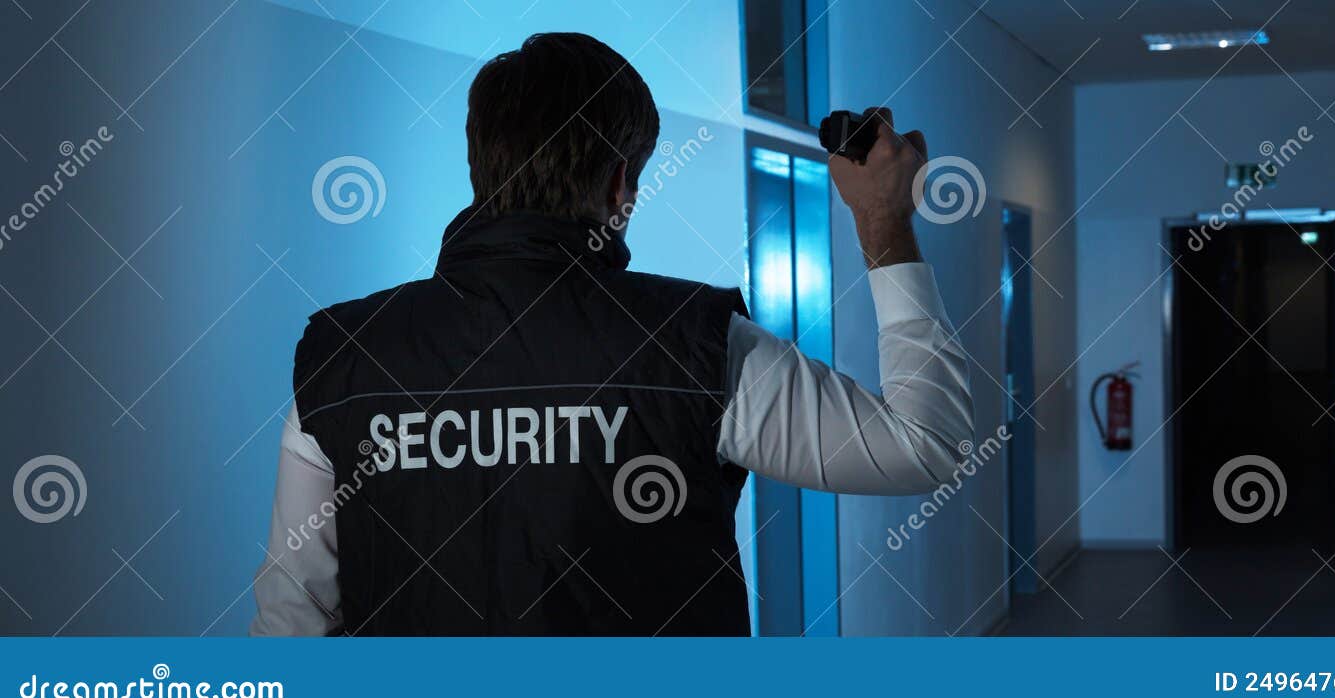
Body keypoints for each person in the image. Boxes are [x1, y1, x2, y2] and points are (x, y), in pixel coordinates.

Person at [250, 32, 972, 636]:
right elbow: (927, 444)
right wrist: (884, 223)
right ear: (622, 183)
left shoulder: (342, 354)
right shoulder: (696, 345)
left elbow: (291, 622)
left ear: (480, 166)